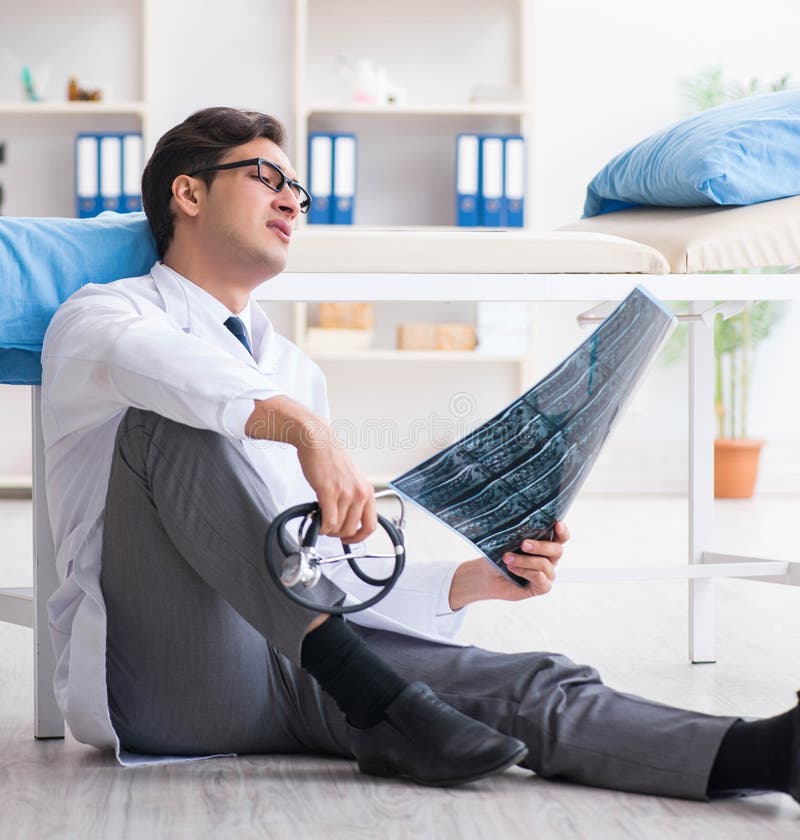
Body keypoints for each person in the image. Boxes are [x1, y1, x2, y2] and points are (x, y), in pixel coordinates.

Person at [42, 107, 799, 801]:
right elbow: (166, 371)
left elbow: (319, 573)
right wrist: (304, 429)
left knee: (531, 683)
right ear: (188, 194)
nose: (291, 202)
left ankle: (763, 757)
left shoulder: (296, 371)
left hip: (309, 663)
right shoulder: (104, 315)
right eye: (266, 177)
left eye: (299, 194)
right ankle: (376, 696)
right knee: (170, 426)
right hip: (171, 678)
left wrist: (473, 582)